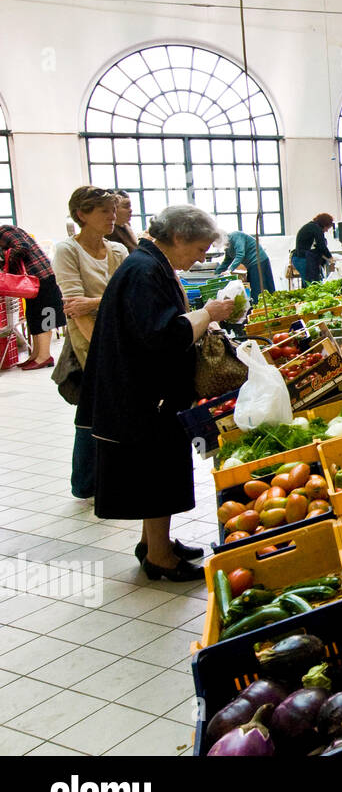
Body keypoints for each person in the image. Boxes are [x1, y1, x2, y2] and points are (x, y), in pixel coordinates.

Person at [75, 205, 236, 581]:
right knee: (157, 473)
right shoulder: (146, 271)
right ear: (178, 237)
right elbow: (165, 336)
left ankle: (154, 542)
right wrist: (208, 313)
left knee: (156, 471)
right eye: (198, 249)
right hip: (144, 397)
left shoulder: (145, 263)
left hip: (141, 391)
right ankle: (160, 557)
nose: (200, 259)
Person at [53, 186, 129, 498]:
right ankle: (85, 480)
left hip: (119, 335)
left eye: (114, 210)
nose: (113, 217)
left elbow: (125, 297)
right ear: (82, 215)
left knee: (100, 406)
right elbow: (74, 308)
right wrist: (101, 351)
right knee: (95, 406)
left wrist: (95, 302)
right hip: (88, 340)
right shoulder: (67, 251)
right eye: (104, 211)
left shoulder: (118, 251)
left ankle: (95, 478)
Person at [0, 223, 65, 370]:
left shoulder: (4, 231)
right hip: (33, 280)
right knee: (34, 316)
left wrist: (6, 259)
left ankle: (45, 356)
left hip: (41, 276)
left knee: (45, 315)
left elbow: (22, 246)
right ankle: (36, 355)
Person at [214, 228, 276, 302]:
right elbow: (227, 261)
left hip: (259, 261)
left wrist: (229, 270)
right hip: (251, 265)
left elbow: (240, 254)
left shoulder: (236, 236)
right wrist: (216, 273)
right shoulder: (228, 246)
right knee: (255, 289)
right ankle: (259, 307)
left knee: (259, 290)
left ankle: (264, 307)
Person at [292, 213, 335, 283]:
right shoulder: (316, 228)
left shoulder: (311, 226)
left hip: (299, 258)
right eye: (327, 228)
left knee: (309, 283)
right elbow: (322, 246)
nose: (326, 230)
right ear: (324, 224)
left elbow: (317, 246)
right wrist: (330, 258)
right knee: (311, 283)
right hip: (303, 259)